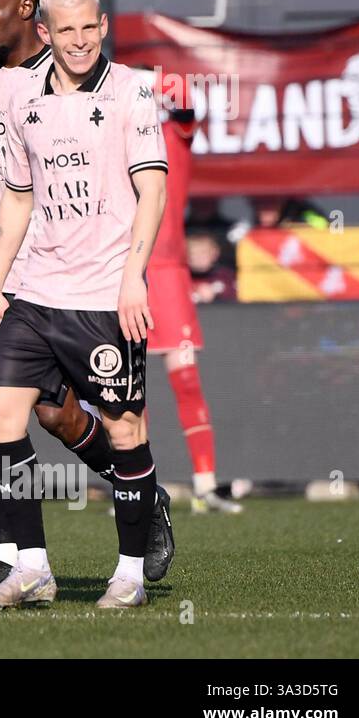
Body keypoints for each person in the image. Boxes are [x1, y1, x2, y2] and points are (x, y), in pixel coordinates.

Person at [0, 0, 173, 595]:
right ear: (48, 28)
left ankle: (140, 497)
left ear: (28, 12)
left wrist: (133, 275)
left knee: (64, 418)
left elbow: (148, 185)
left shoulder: (108, 86)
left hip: (91, 285)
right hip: (18, 280)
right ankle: (16, 555)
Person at [145, 81, 242, 513]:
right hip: (121, 271)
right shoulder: (109, 135)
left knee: (185, 378)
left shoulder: (173, 133)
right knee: (126, 388)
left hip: (166, 273)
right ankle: (137, 488)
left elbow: (184, 97)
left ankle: (206, 483)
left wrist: (147, 79)